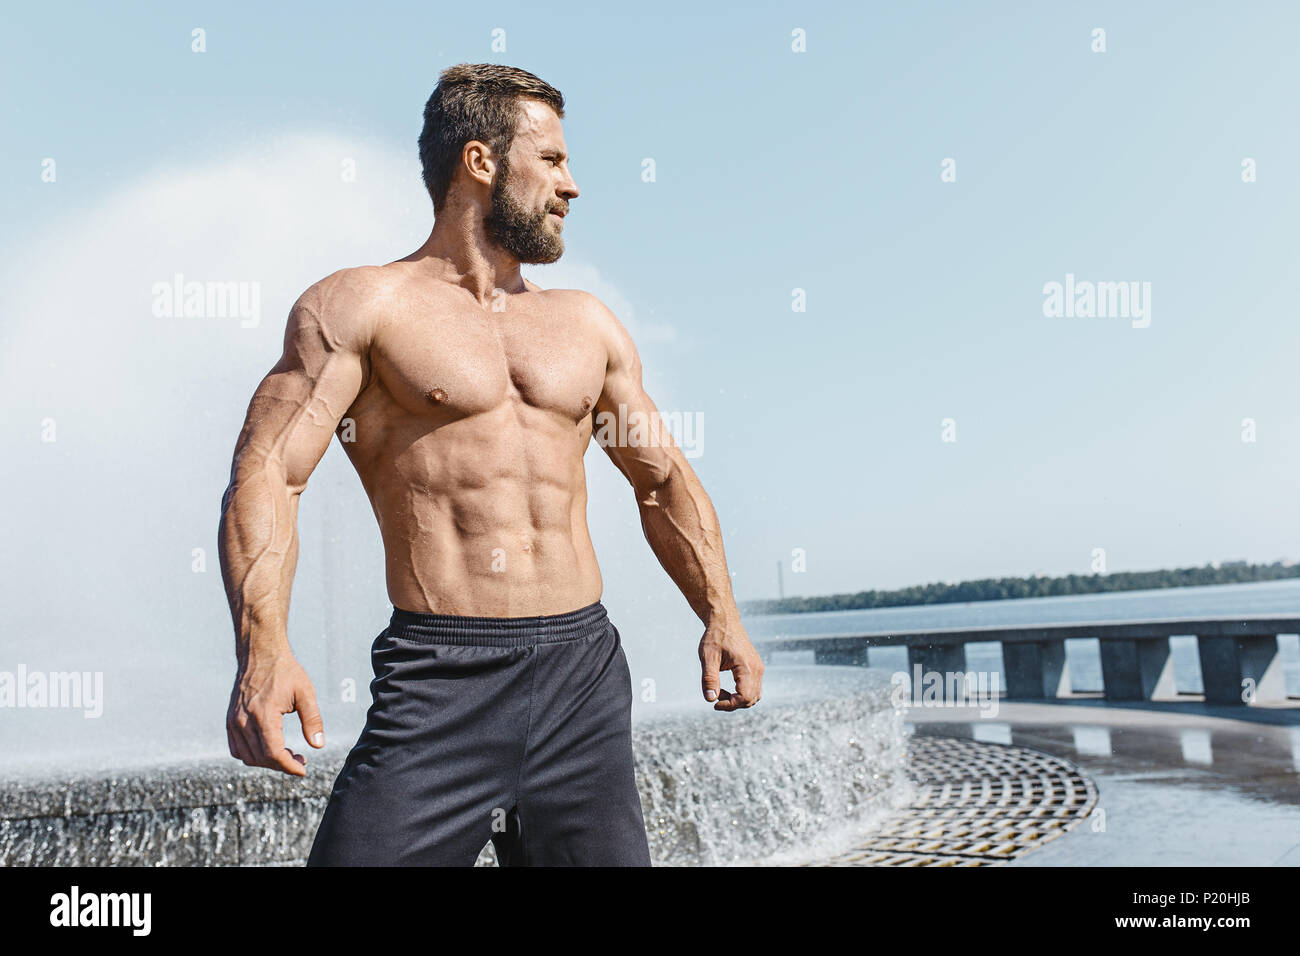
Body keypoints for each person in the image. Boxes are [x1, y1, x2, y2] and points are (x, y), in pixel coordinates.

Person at [217, 62, 763, 866]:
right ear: (481, 162)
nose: (571, 186)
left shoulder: (586, 324)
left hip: (583, 675)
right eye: (552, 161)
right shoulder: (360, 307)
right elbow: (268, 476)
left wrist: (722, 613)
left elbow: (661, 482)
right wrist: (263, 653)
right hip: (442, 678)